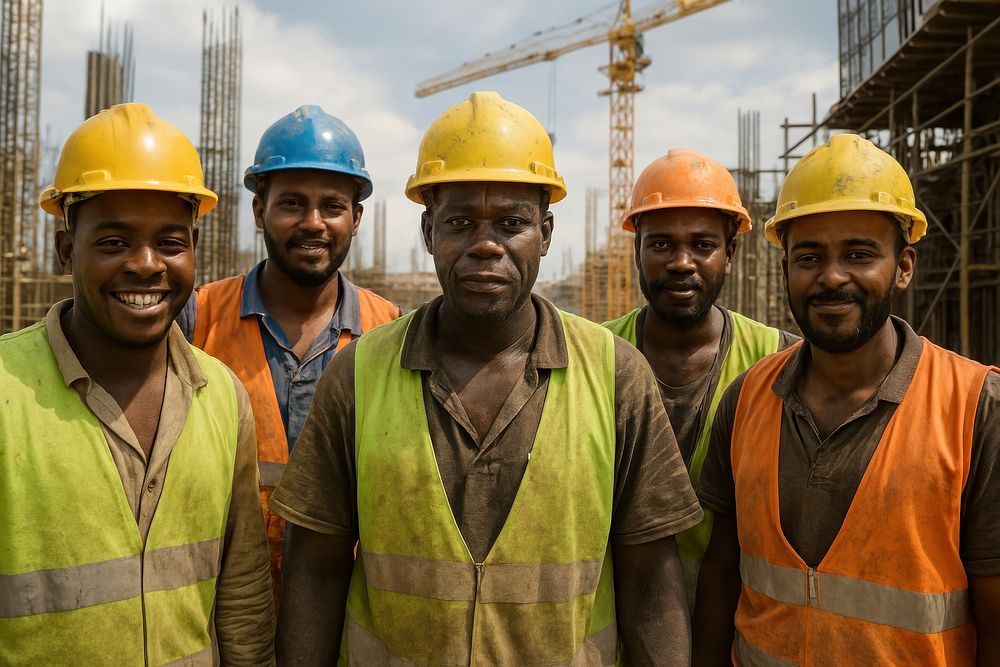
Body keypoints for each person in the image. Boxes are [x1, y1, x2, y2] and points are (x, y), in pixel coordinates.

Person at [269, 91, 703, 665]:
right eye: (459, 222)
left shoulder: (617, 375)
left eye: (512, 223)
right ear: (429, 232)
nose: (485, 245)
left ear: (545, 234)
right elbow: (316, 569)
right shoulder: (358, 375)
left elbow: (650, 579)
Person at [692, 133, 1000, 666]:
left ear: (903, 266)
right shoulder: (746, 399)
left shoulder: (976, 407)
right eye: (809, 256)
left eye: (859, 254)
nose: (832, 277)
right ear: (785, 268)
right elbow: (722, 570)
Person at [0, 103, 274, 664]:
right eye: (114, 242)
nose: (147, 265)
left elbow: (241, 592)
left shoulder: (221, 396)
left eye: (170, 242)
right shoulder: (6, 394)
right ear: (64, 251)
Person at [178, 105, 402, 605]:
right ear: (260, 212)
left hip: (347, 611)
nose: (313, 223)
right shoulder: (197, 320)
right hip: (222, 605)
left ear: (356, 217)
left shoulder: (392, 331)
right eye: (292, 204)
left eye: (332, 206)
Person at [604, 148, 797, 604]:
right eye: (661, 244)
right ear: (638, 251)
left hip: (732, 626)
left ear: (729, 254)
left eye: (703, 245)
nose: (682, 262)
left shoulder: (779, 358)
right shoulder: (593, 356)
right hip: (620, 628)